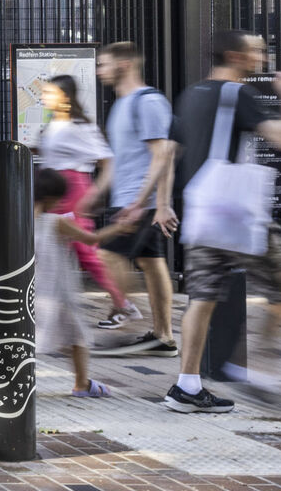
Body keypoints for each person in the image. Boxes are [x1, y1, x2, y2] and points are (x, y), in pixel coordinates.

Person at [165, 29, 281, 413]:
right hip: (237, 213)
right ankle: (262, 371)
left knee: (202, 298)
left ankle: (187, 386)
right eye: (257, 52)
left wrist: (163, 202)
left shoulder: (191, 94)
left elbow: (168, 152)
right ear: (235, 56)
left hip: (201, 210)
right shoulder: (239, 94)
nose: (261, 59)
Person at [91, 41, 179, 355]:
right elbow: (119, 162)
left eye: (103, 64)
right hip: (133, 200)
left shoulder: (148, 101)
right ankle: (163, 336)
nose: (99, 70)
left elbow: (164, 154)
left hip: (138, 202)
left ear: (124, 65)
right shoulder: (122, 105)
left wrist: (147, 203)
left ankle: (124, 315)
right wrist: (95, 195)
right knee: (152, 264)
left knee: (107, 256)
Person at [20, 74, 127, 315]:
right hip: (51, 191)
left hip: (73, 190)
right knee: (43, 247)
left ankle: (123, 304)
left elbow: (108, 162)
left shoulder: (81, 127)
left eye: (50, 93)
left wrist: (94, 193)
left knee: (85, 251)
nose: (43, 97)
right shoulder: (53, 125)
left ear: (65, 98)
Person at [36, 165, 111, 397]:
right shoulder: (57, 221)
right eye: (59, 199)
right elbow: (91, 239)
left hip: (32, 290)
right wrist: (121, 228)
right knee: (77, 337)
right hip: (59, 291)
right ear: (50, 198)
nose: (61, 204)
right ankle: (82, 384)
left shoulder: (20, 220)